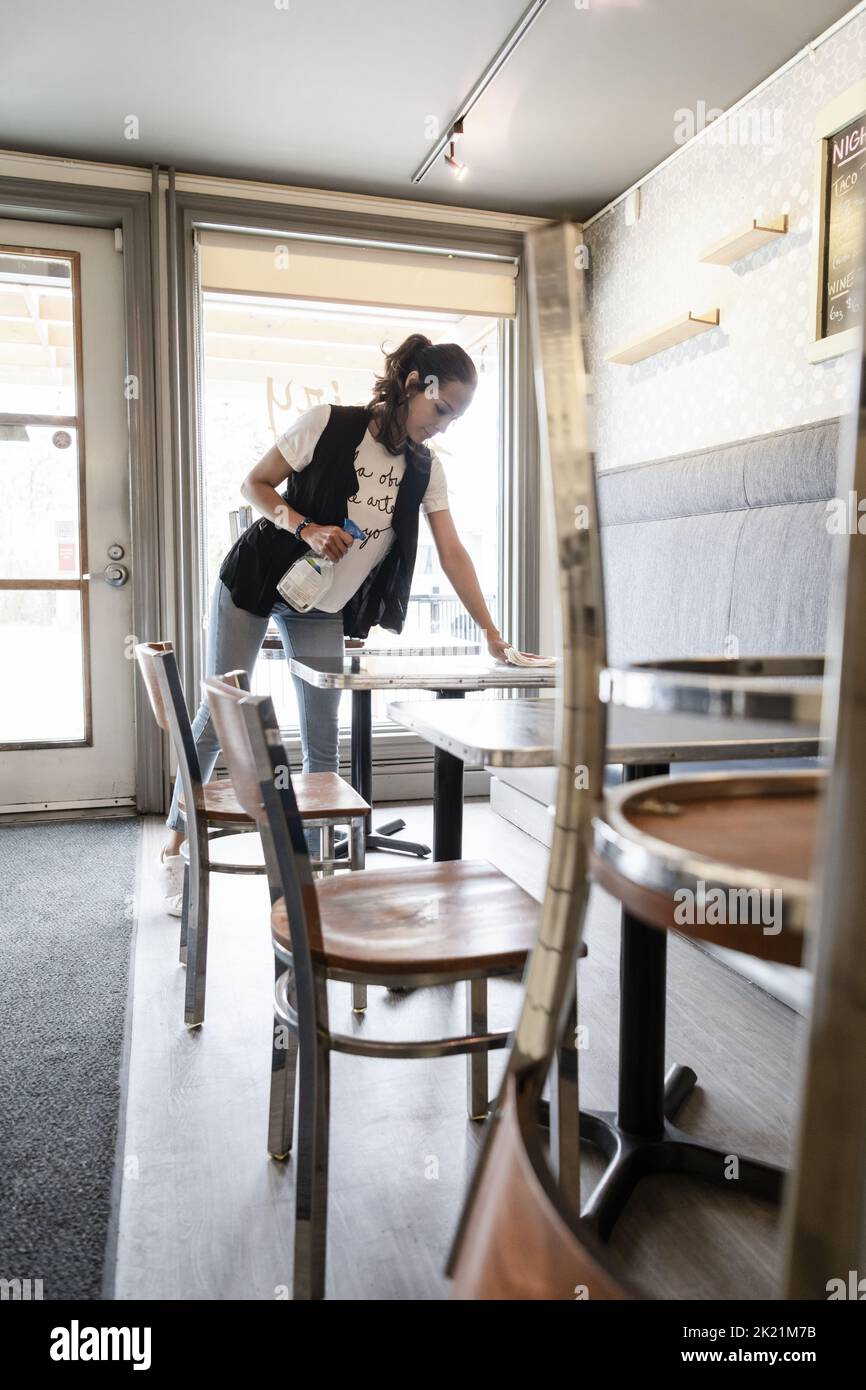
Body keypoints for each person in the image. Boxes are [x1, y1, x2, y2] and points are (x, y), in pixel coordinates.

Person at [160, 332, 515, 911]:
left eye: (455, 418)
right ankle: (174, 847)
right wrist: (303, 526)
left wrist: (492, 633)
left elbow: (453, 553)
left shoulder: (425, 470)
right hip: (252, 581)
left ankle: (319, 879)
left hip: (320, 605)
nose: (443, 426)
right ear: (411, 386)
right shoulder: (327, 422)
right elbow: (253, 483)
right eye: (441, 409)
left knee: (324, 736)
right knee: (219, 715)